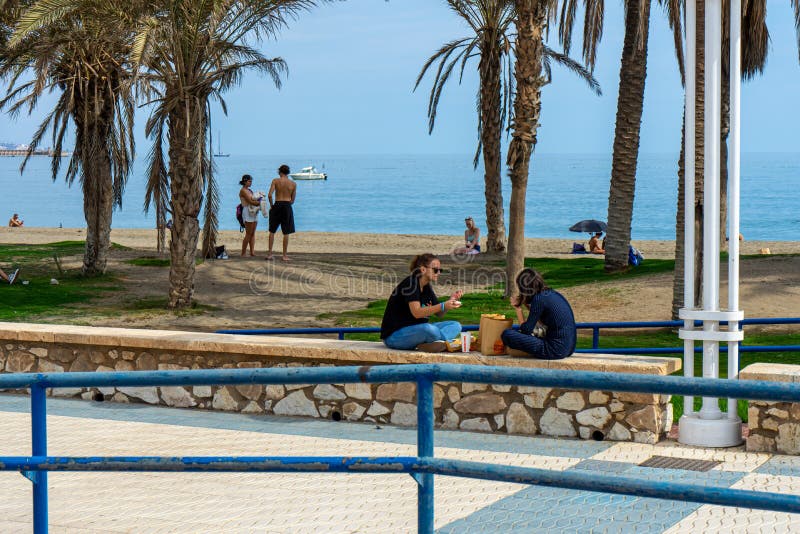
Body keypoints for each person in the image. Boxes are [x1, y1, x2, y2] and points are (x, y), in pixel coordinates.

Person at [381, 253, 463, 352]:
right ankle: (443, 343)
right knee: (428, 329)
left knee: (455, 325)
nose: (438, 273)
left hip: (417, 331)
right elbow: (417, 313)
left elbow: (440, 313)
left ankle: (434, 344)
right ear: (423, 269)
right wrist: (442, 305)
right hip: (395, 336)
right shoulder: (411, 284)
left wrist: (450, 301)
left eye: (440, 270)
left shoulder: (426, 286)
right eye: (435, 270)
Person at [501, 268, 576, 360]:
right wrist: (524, 302)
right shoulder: (550, 294)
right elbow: (538, 317)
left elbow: (526, 330)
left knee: (507, 334)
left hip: (555, 350)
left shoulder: (538, 299)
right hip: (569, 348)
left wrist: (518, 309)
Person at [266, 164, 297, 261]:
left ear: (280, 172)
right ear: (288, 173)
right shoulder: (293, 184)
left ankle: (270, 254)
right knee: (286, 232)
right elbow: (292, 201)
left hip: (277, 204)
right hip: (287, 206)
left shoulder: (275, 181)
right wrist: (287, 204)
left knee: (272, 231)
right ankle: (284, 255)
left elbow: (270, 195)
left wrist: (272, 206)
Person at [239, 175, 261, 257]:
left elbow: (253, 200)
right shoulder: (243, 191)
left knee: (253, 233)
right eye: (249, 181)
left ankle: (252, 252)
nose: (250, 182)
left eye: (251, 181)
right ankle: (243, 253)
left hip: (253, 211)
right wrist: (260, 203)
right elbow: (250, 201)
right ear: (245, 181)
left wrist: (259, 200)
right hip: (247, 212)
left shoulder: (250, 190)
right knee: (248, 233)